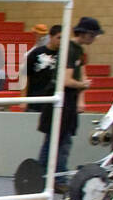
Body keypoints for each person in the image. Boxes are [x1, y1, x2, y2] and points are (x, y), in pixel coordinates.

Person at [25, 20, 98, 191]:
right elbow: (67, 80)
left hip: (67, 101)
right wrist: (83, 86)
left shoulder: (76, 50)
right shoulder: (70, 50)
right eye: (93, 35)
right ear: (85, 33)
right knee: (58, 142)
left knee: (58, 141)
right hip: (61, 102)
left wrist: (81, 97)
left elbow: (79, 74)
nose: (94, 39)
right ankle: (56, 177)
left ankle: (46, 176)